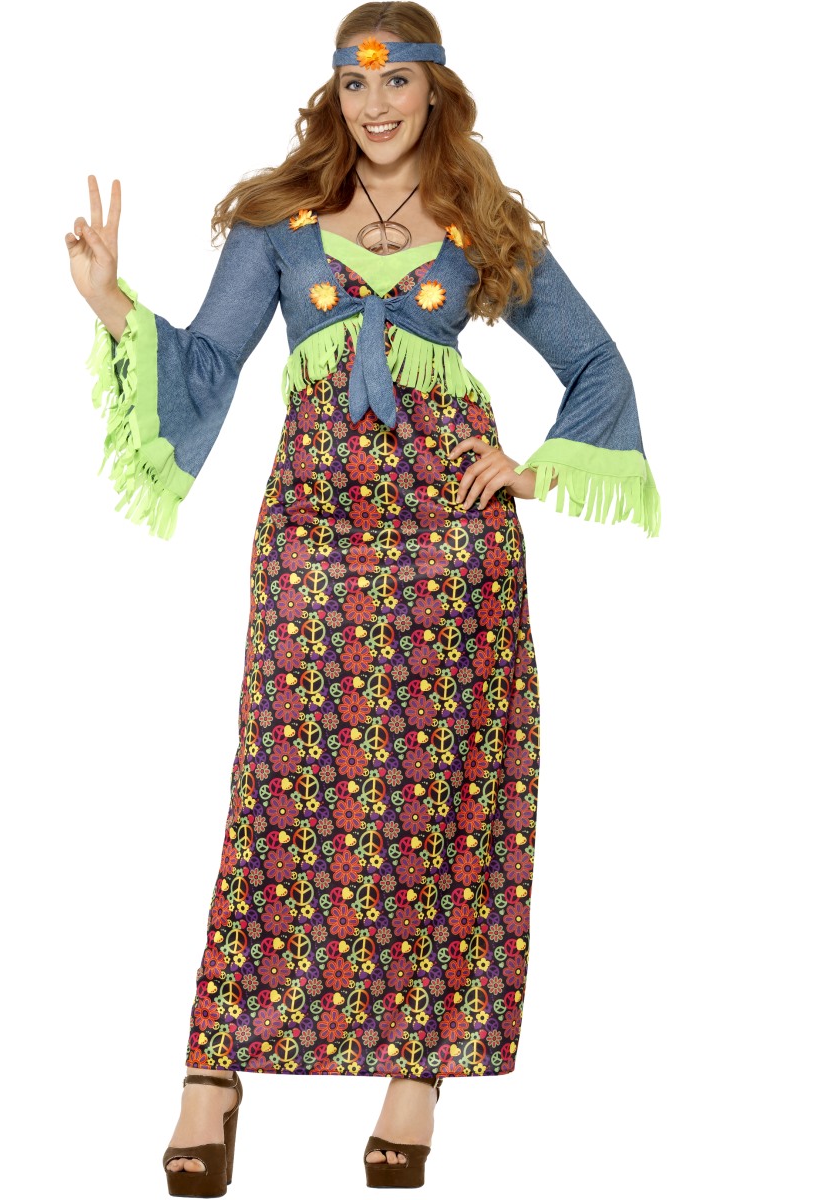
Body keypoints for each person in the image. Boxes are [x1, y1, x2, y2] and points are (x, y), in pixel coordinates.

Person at [65, 3, 660, 1193]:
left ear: (435, 91)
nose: (375, 106)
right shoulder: (279, 226)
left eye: (396, 83)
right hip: (313, 541)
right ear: (333, 95)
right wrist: (112, 303)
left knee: (437, 798)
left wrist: (529, 470)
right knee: (280, 785)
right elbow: (208, 367)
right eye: (354, 85)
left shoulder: (481, 225)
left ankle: (415, 1073)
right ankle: (213, 1066)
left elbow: (598, 362)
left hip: (452, 552)